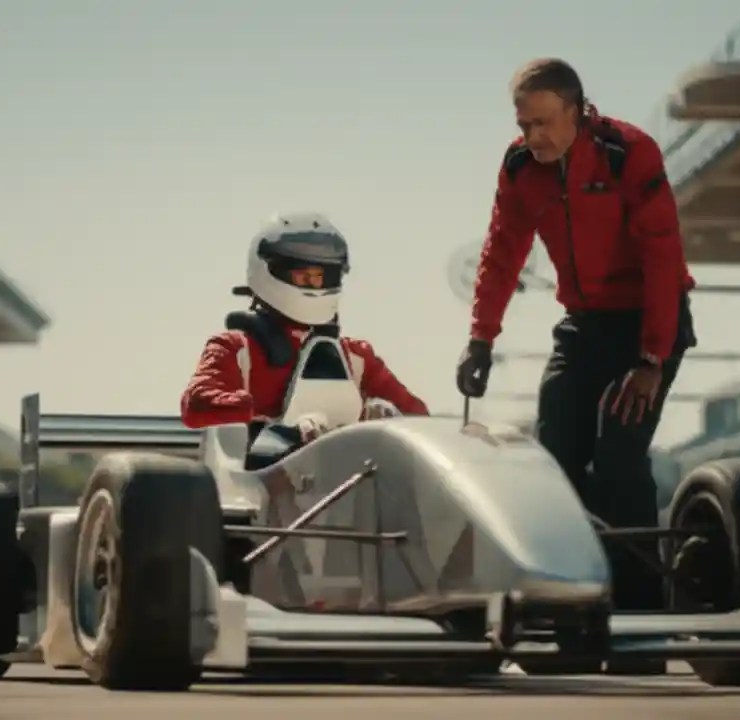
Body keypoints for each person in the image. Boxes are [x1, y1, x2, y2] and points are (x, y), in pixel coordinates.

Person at [454, 58, 698, 636]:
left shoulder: (628, 155)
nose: (531, 137)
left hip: (648, 326)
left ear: (577, 111)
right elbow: (501, 253)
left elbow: (664, 259)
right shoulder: (520, 169)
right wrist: (481, 339)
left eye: (542, 123)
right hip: (585, 326)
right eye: (523, 124)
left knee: (618, 459)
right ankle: (572, 604)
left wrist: (651, 360)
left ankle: (642, 618)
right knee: (554, 455)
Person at [181, 211, 429, 443]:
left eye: (320, 277)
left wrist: (389, 415)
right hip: (258, 482)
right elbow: (196, 405)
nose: (313, 285)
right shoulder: (236, 348)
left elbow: (420, 419)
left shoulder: (356, 357)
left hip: (345, 482)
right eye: (303, 276)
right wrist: (273, 421)